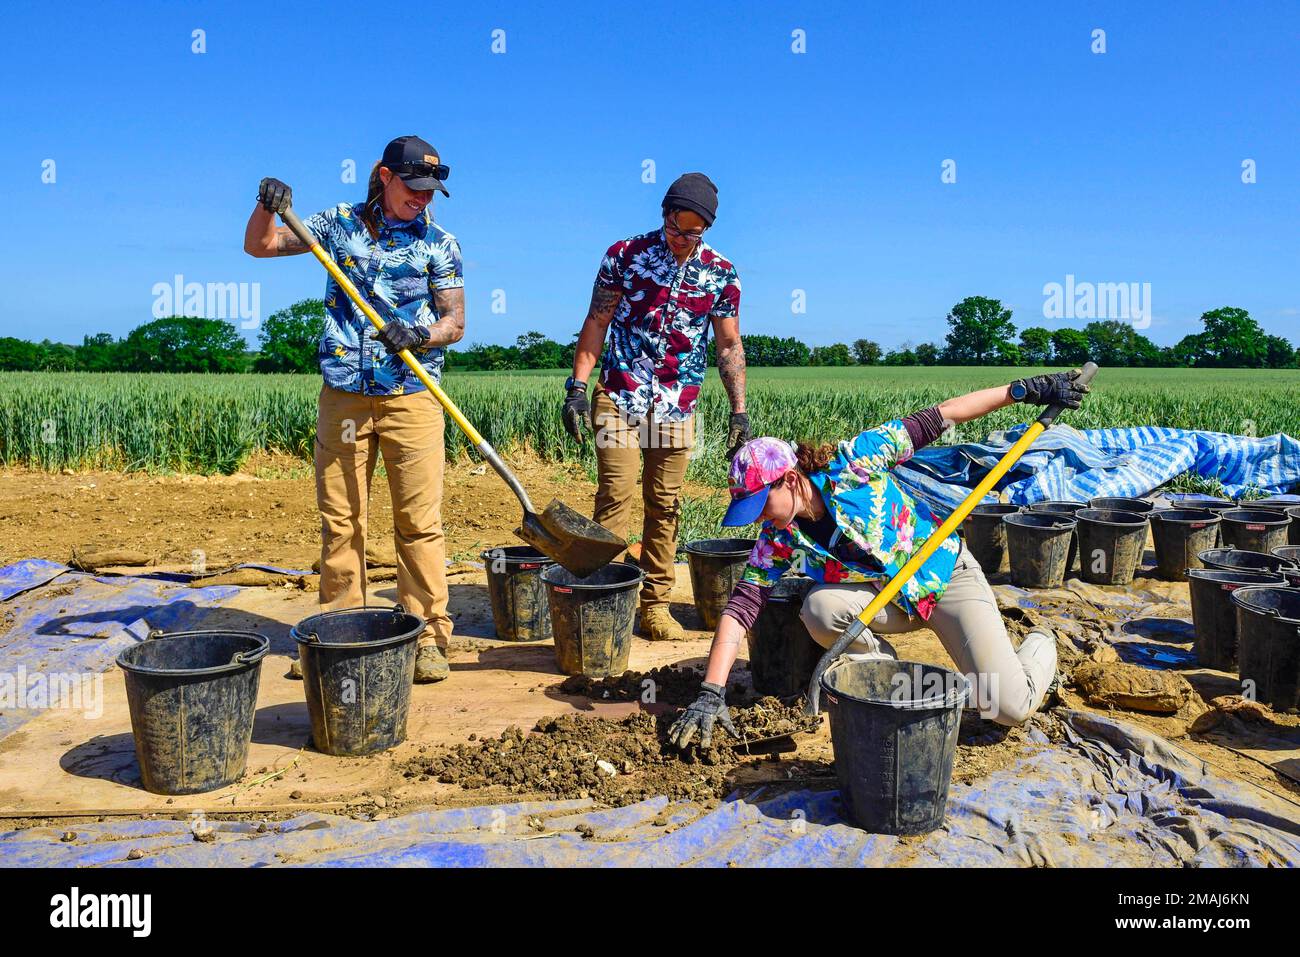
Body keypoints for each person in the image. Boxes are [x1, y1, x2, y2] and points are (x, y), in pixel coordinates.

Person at [668, 370, 1091, 747]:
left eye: (762, 503)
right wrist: (710, 693)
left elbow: (943, 415)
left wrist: (1023, 391)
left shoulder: (856, 462)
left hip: (945, 580)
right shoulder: (777, 539)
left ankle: (1040, 648)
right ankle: (891, 690)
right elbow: (740, 609)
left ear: (791, 479)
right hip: (887, 598)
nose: (758, 516)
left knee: (1006, 707)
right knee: (819, 608)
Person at [243, 135, 465, 684]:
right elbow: (261, 247)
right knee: (341, 519)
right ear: (384, 176)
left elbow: (455, 324)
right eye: (414, 188)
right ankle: (340, 631)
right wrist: (264, 205)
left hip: (411, 397)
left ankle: (428, 637)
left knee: (418, 522)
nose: (423, 199)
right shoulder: (337, 224)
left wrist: (418, 333)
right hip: (343, 393)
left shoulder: (441, 244)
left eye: (431, 191)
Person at [562, 173, 749, 641]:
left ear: (707, 227)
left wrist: (739, 410)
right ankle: (604, 600)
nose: (681, 239)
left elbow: (728, 346)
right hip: (618, 394)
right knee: (615, 495)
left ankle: (655, 605)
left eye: (692, 232)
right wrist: (577, 387)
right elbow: (597, 320)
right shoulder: (624, 257)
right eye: (674, 227)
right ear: (664, 214)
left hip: (677, 405)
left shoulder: (721, 273)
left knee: (665, 504)